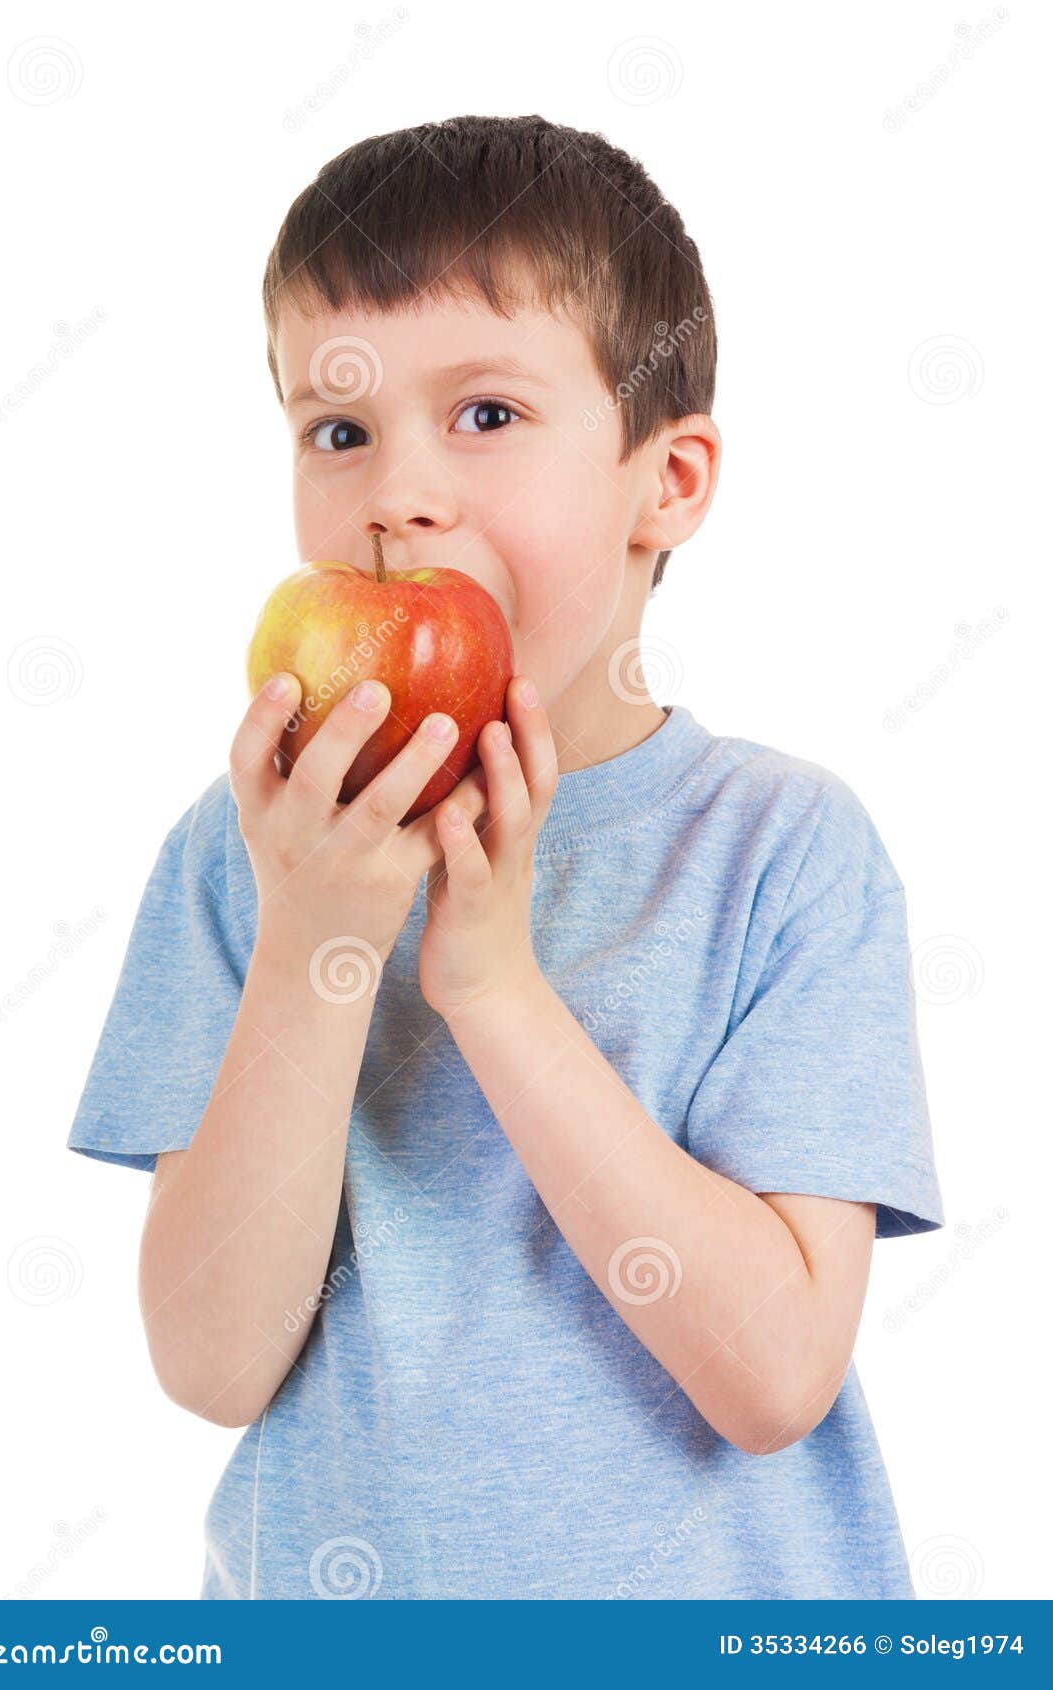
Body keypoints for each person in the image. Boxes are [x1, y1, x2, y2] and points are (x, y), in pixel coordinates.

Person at [67, 114, 943, 1600]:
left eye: (484, 415)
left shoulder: (779, 850)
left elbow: (777, 1374)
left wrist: (489, 982)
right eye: (338, 429)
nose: (398, 493)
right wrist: (314, 942)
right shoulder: (246, 852)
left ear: (664, 483)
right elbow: (212, 1362)